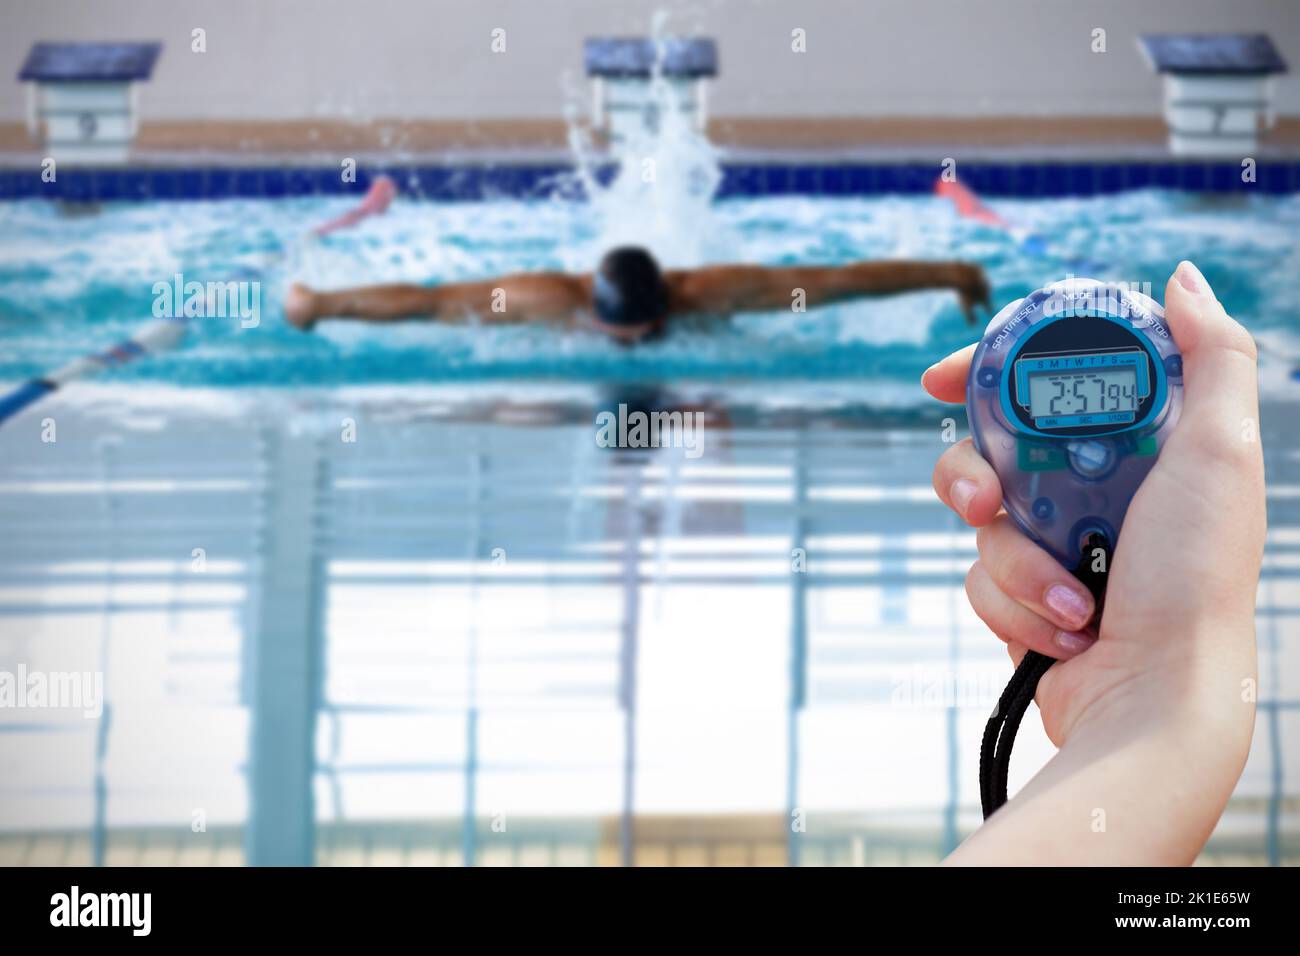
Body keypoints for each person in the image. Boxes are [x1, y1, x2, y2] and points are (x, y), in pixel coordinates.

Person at [924, 261, 1265, 865]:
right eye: (1062, 396)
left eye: (1100, 393)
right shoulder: (1136, 359)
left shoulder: (1014, 368)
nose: (1084, 453)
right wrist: (1152, 702)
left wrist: (1154, 691)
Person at [284, 246, 992, 339]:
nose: (635, 339)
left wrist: (950, 273)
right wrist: (322, 303)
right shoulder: (543, 297)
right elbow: (428, 300)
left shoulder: (712, 294)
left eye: (645, 327)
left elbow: (840, 283)